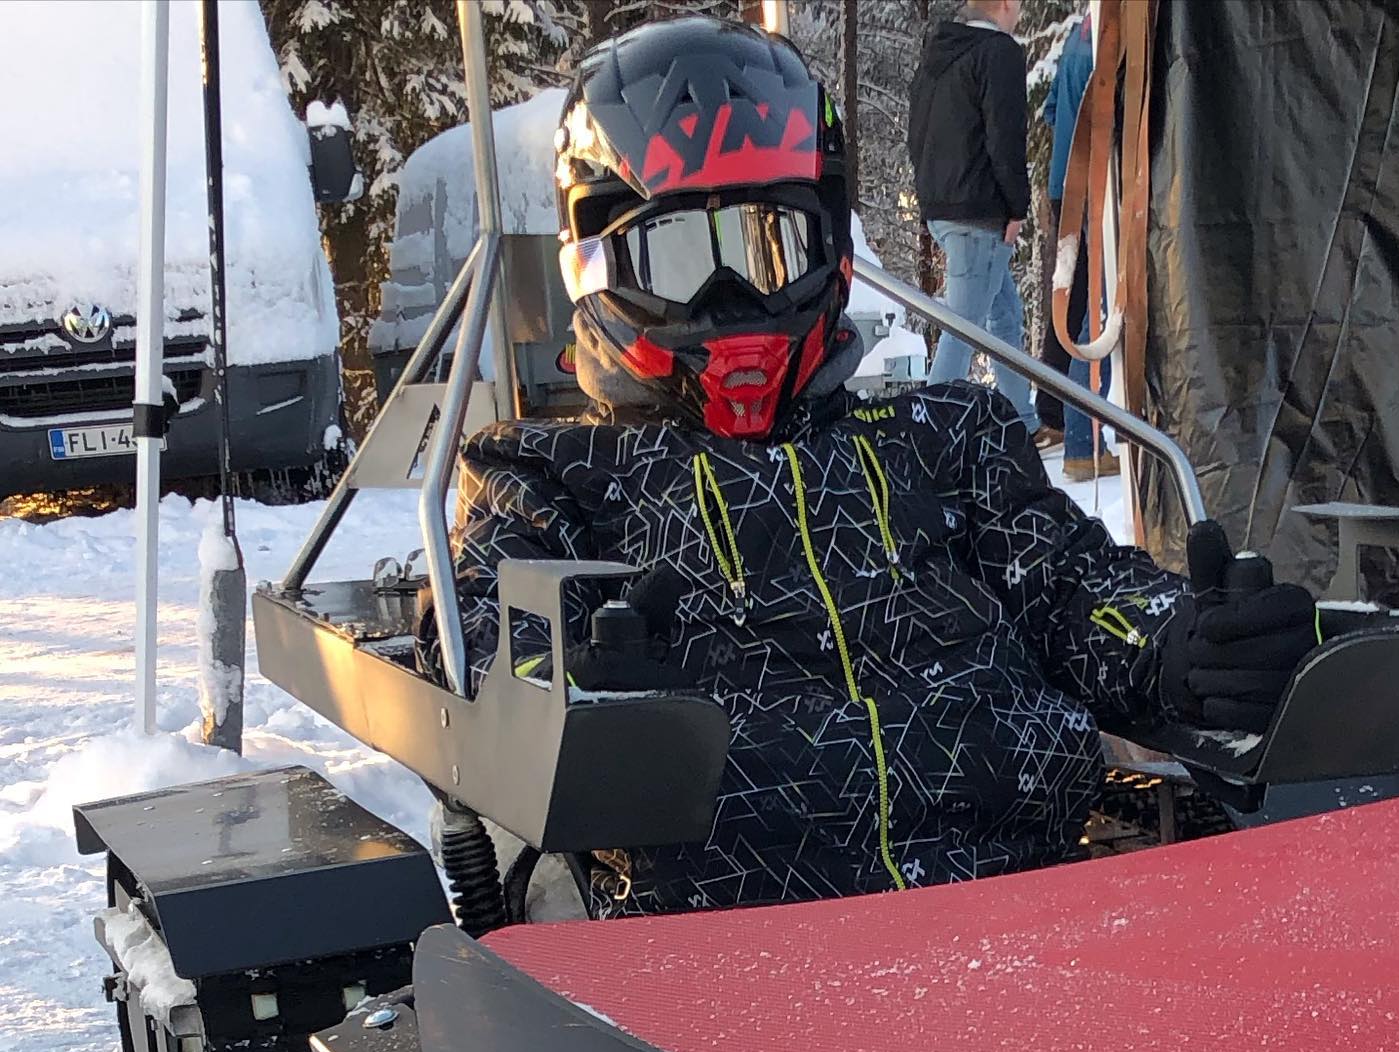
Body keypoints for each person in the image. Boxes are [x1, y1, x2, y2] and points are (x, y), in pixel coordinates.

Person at [418, 16, 1319, 920]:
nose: (730, 298)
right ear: (598, 263)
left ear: (830, 252)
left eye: (770, 248)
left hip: (1027, 901)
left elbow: (1069, 584)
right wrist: (578, 698)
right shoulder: (550, 476)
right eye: (681, 256)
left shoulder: (942, 437)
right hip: (729, 944)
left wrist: (1180, 638)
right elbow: (489, 643)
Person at [908, 0, 1058, 446]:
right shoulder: (999, 52)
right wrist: (1016, 207)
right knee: (963, 330)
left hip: (943, 209)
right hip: (980, 213)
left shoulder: (938, 55)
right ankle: (926, 437)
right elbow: (1005, 136)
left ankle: (1022, 422)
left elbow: (916, 135)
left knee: (1005, 315)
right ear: (1006, 5)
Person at [1041, 13, 1120, 480]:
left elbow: (1052, 109)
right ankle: (1081, 443)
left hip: (1064, 188)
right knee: (1097, 313)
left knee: (1072, 309)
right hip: (1095, 191)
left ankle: (1060, 419)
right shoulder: (1112, 35)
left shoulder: (1079, 33)